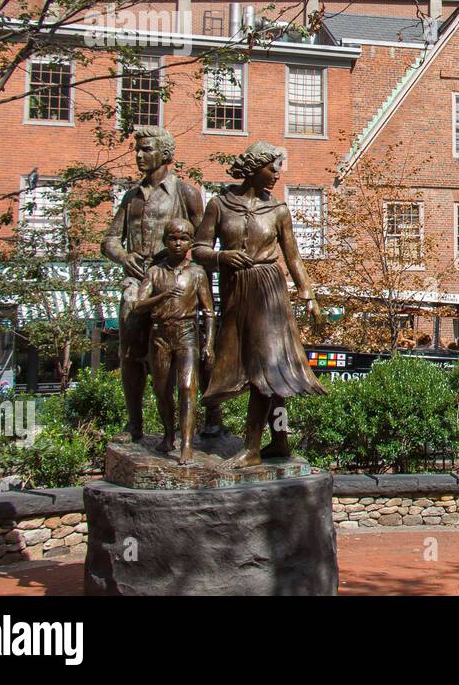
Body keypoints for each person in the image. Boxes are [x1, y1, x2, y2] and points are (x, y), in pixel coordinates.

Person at [193, 142, 327, 468]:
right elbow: (198, 249)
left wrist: (308, 295)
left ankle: (253, 446)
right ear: (254, 168)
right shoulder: (220, 205)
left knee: (268, 369)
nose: (277, 175)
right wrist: (222, 256)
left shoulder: (279, 210)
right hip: (237, 292)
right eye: (272, 168)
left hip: (269, 291)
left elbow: (293, 257)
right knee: (261, 370)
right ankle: (280, 440)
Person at [102, 127, 213, 440]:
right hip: (138, 280)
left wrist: (200, 283)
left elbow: (203, 240)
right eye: (138, 149)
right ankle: (134, 424)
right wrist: (123, 257)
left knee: (196, 351)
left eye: (146, 149)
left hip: (177, 277)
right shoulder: (130, 197)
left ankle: (211, 418)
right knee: (129, 350)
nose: (139, 155)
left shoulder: (185, 192)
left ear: (165, 154)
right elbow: (110, 239)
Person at [133, 219, 214, 465]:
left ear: (191, 243)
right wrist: (162, 295)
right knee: (162, 390)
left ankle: (187, 445)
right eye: (173, 238)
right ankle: (169, 435)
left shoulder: (197, 273)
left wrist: (209, 344)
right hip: (160, 335)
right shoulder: (154, 272)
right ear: (165, 240)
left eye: (183, 239)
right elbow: (137, 305)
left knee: (187, 387)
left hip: (187, 332)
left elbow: (208, 312)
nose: (178, 243)